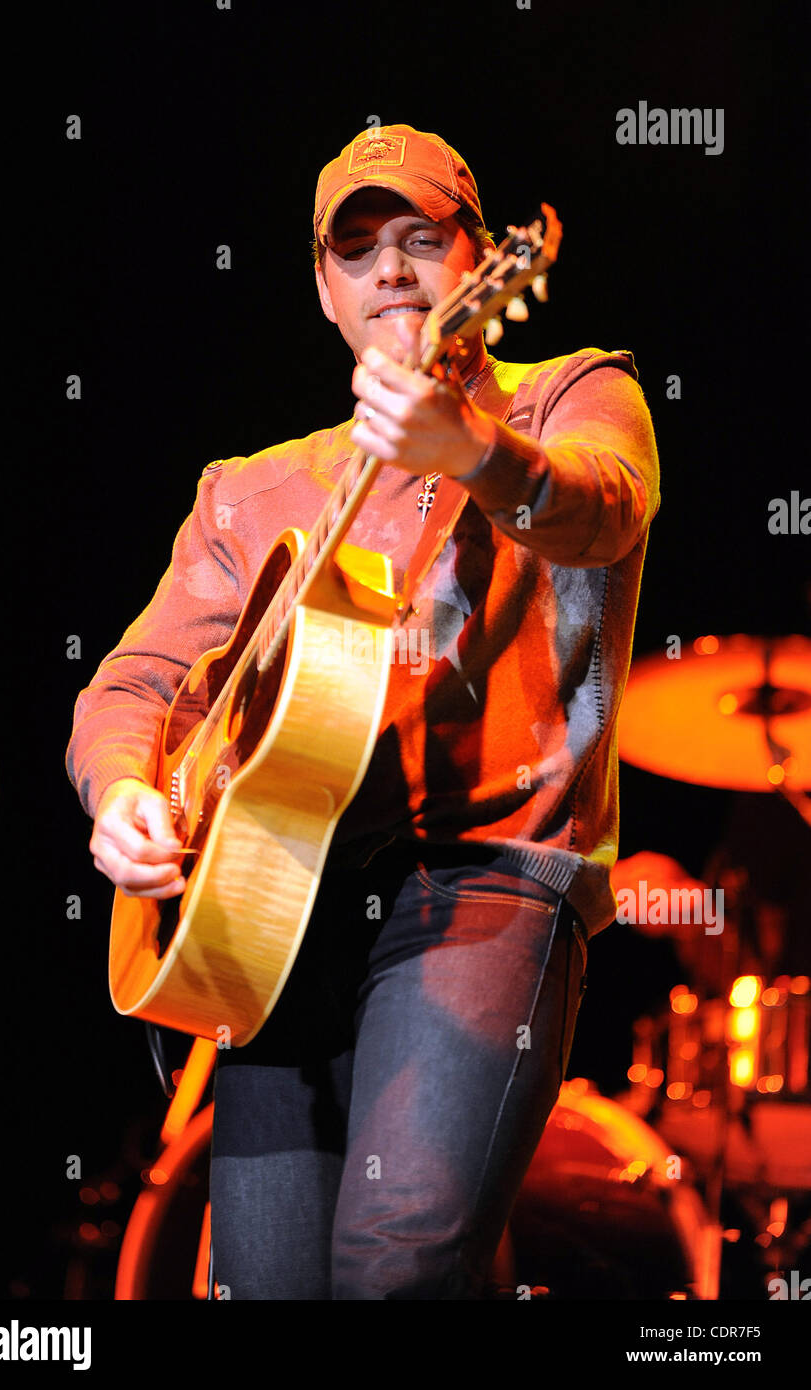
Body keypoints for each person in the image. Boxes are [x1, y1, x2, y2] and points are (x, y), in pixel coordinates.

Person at [66, 123, 661, 1299]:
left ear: (481, 263)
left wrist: (477, 452)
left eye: (420, 238)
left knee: (395, 1269)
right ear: (325, 292)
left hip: (484, 882)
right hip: (265, 915)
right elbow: (129, 683)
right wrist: (124, 787)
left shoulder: (569, 396)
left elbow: (602, 513)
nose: (390, 270)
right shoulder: (248, 492)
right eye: (357, 251)